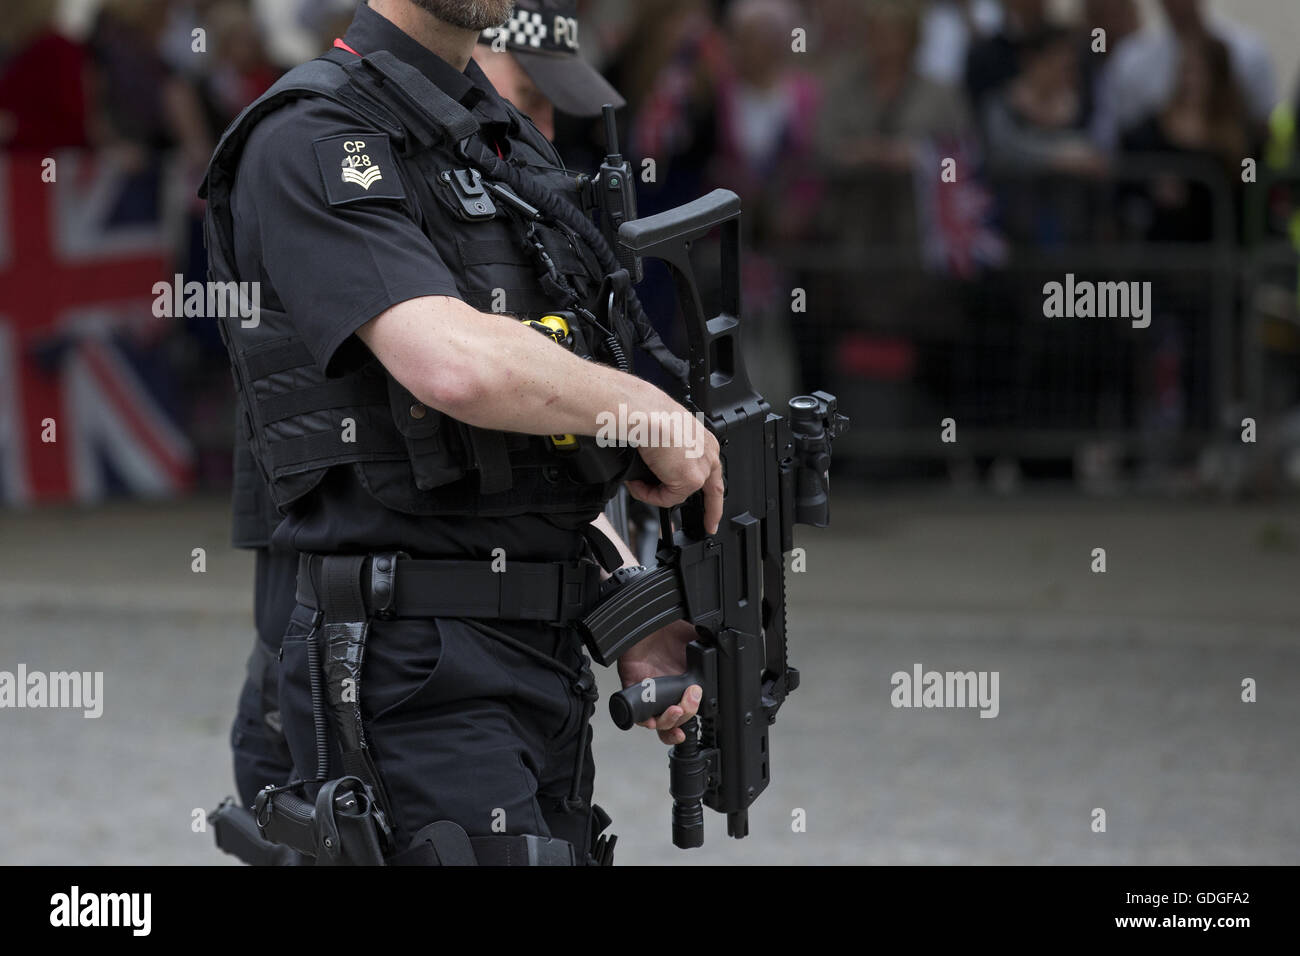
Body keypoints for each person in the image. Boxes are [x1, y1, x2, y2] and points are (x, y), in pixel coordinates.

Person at [206, 0, 722, 866]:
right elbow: (454, 366)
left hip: (538, 663)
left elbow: (541, 440)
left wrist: (627, 604)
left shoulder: (504, 140)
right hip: (411, 666)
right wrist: (651, 410)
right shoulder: (313, 130)